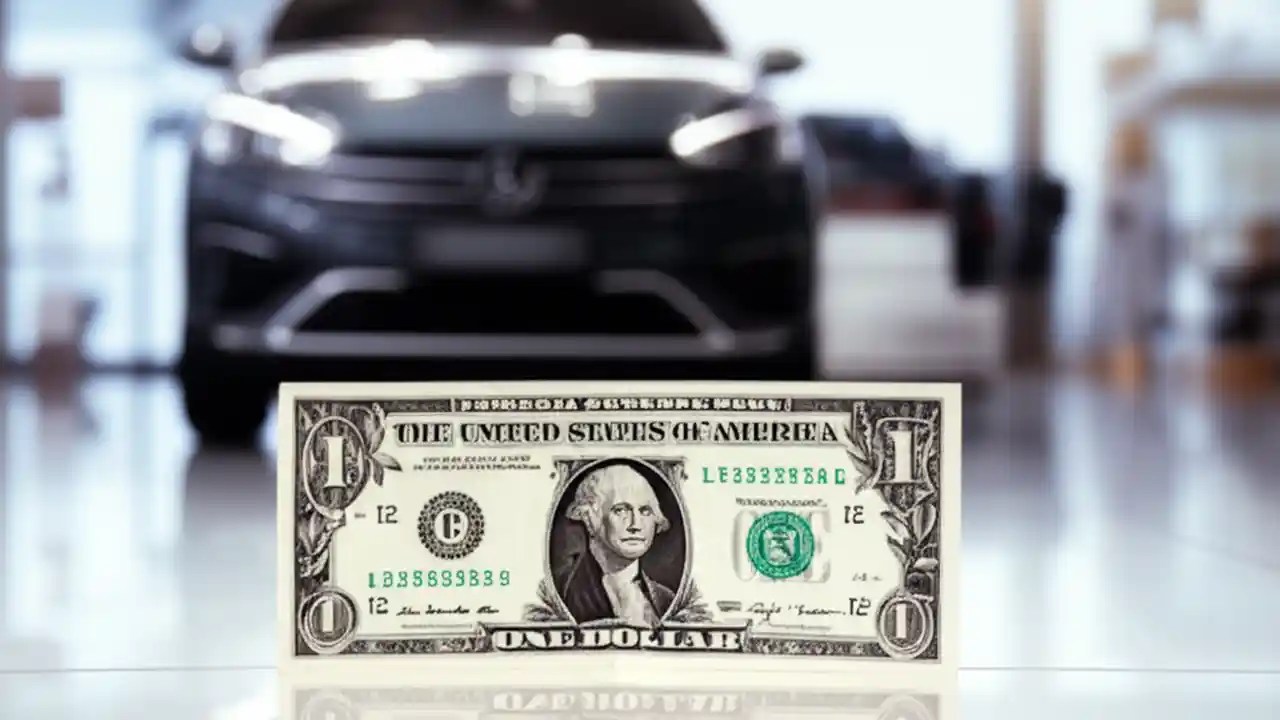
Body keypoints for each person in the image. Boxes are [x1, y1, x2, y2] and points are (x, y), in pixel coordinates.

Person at [553, 464, 675, 626]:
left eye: (645, 511)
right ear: (589, 518)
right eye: (621, 510)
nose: (636, 524)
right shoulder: (562, 592)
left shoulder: (665, 598)